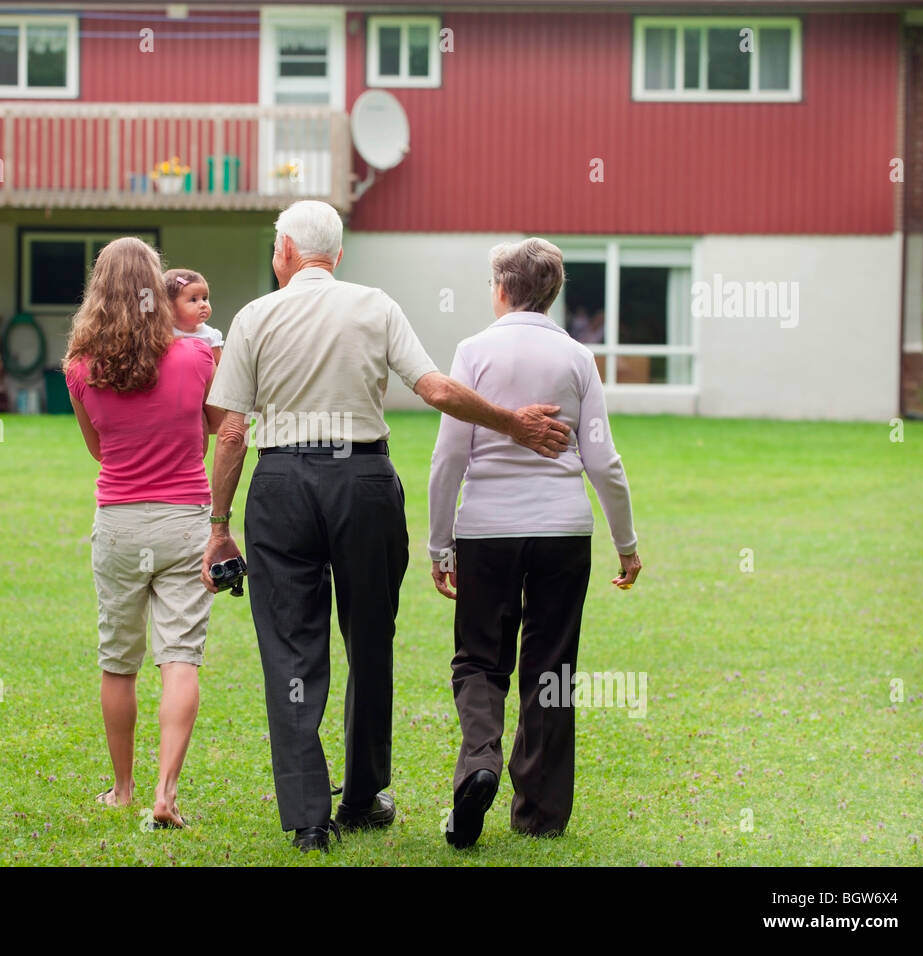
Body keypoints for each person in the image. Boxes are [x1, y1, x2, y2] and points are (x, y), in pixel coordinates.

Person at [200, 200, 573, 853]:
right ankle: (365, 793)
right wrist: (514, 423)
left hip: (281, 483)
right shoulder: (374, 305)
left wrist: (219, 524)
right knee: (369, 638)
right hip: (365, 485)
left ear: (284, 249)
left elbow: (230, 429)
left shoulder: (255, 317)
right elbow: (434, 390)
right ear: (337, 256)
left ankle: (310, 818)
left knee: (291, 651)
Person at [428, 237, 641, 849]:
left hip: (487, 531)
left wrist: (441, 546)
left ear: (500, 288)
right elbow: (603, 460)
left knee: (479, 659)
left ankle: (479, 765)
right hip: (562, 531)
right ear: (552, 292)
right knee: (552, 669)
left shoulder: (472, 351)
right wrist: (625, 542)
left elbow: (449, 457)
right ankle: (541, 813)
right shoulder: (578, 358)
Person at [65, 238, 223, 829]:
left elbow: (98, 449)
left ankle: (124, 788)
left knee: (118, 661)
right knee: (180, 658)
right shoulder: (197, 358)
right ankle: (166, 791)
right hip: (186, 519)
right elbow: (219, 426)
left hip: (119, 522)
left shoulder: (80, 368)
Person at [164, 268, 223, 364]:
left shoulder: (210, 336)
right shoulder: (165, 333)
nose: (203, 304)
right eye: (193, 300)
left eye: (204, 298)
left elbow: (221, 367)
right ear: (171, 306)